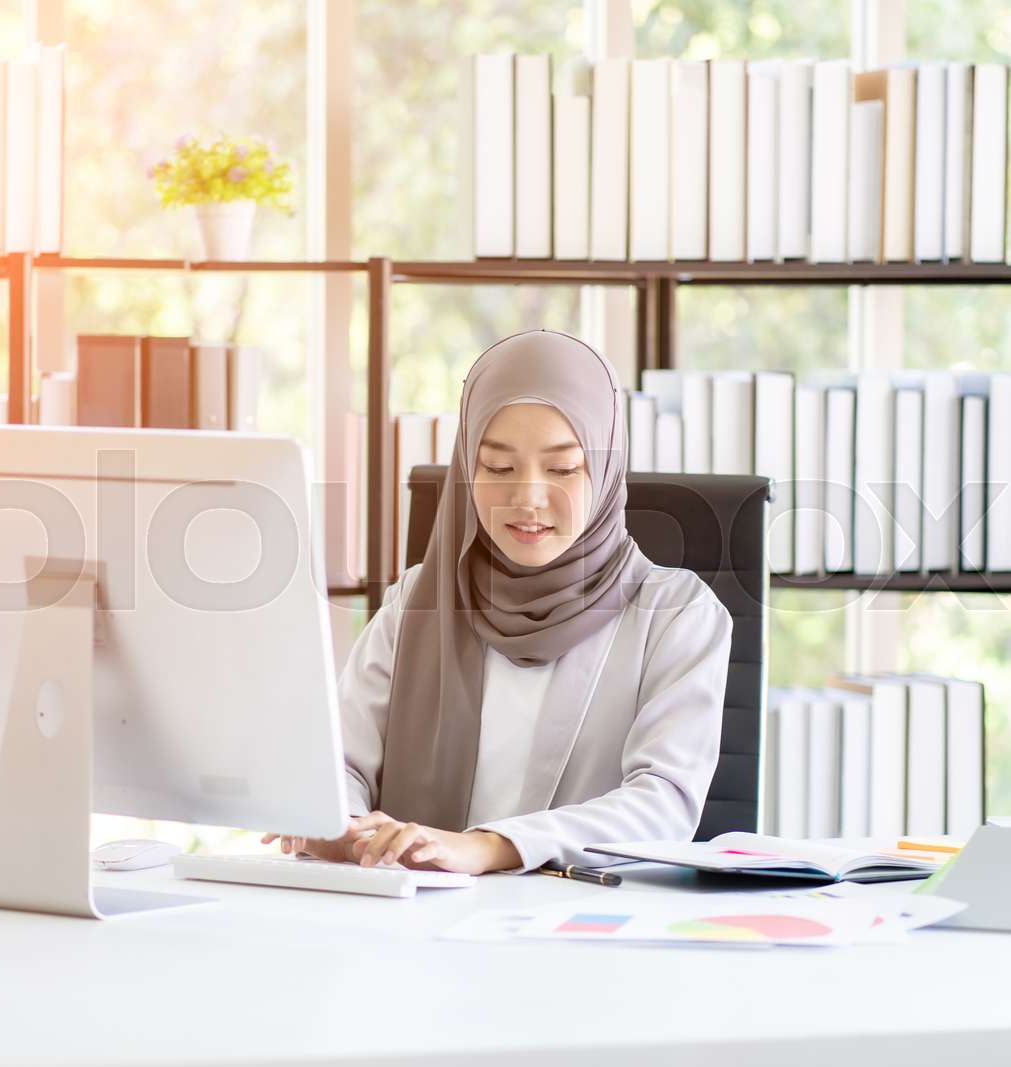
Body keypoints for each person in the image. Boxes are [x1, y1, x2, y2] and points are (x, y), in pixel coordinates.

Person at [265, 329, 733, 874]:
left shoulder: (677, 615)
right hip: (408, 920)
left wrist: (486, 847)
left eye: (562, 468)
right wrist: (340, 825)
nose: (529, 499)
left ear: (605, 473)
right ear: (467, 470)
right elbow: (338, 763)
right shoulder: (417, 601)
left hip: (573, 929)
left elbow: (663, 804)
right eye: (498, 467)